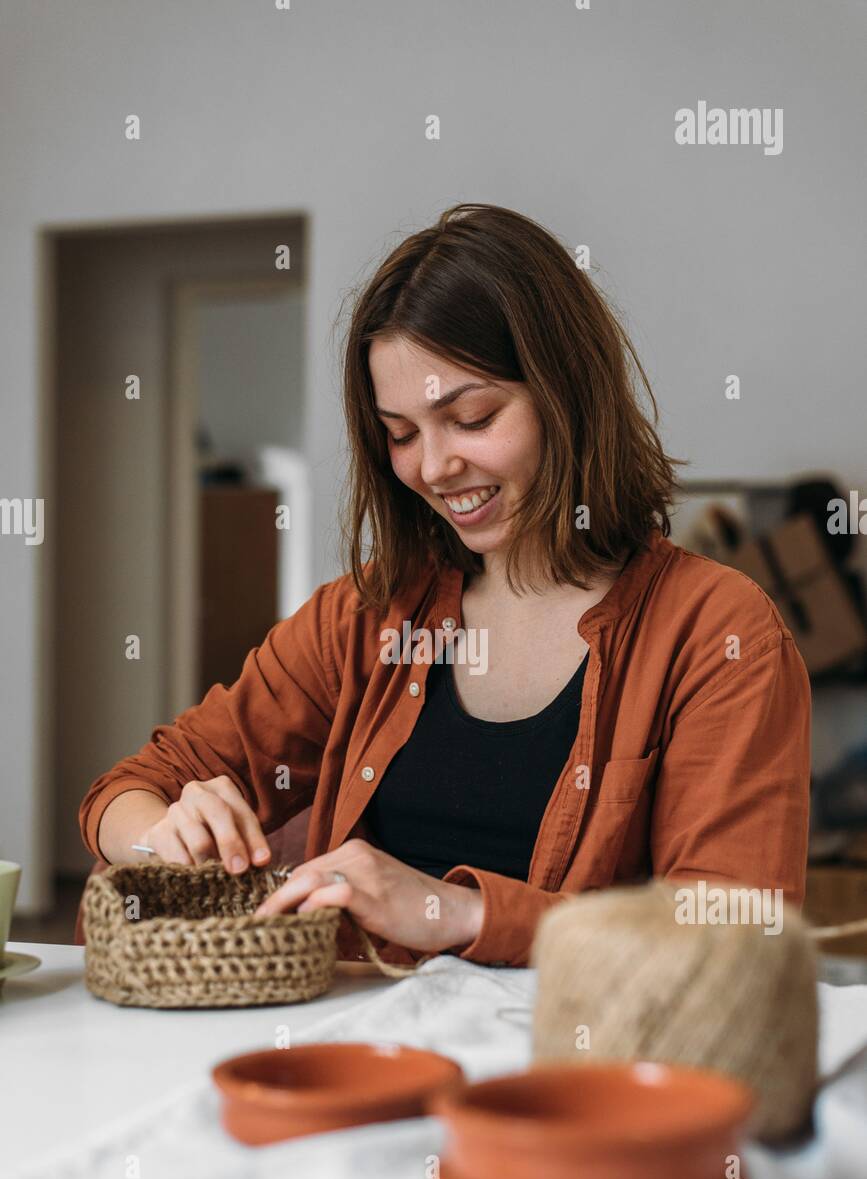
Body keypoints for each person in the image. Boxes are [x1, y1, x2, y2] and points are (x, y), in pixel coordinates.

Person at [79, 203, 811, 968]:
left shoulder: (717, 633)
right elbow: (128, 788)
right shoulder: (363, 618)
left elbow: (734, 941)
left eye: (470, 417)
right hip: (357, 1052)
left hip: (578, 1072)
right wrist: (160, 832)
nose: (431, 468)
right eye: (399, 433)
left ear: (567, 396)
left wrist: (457, 912)